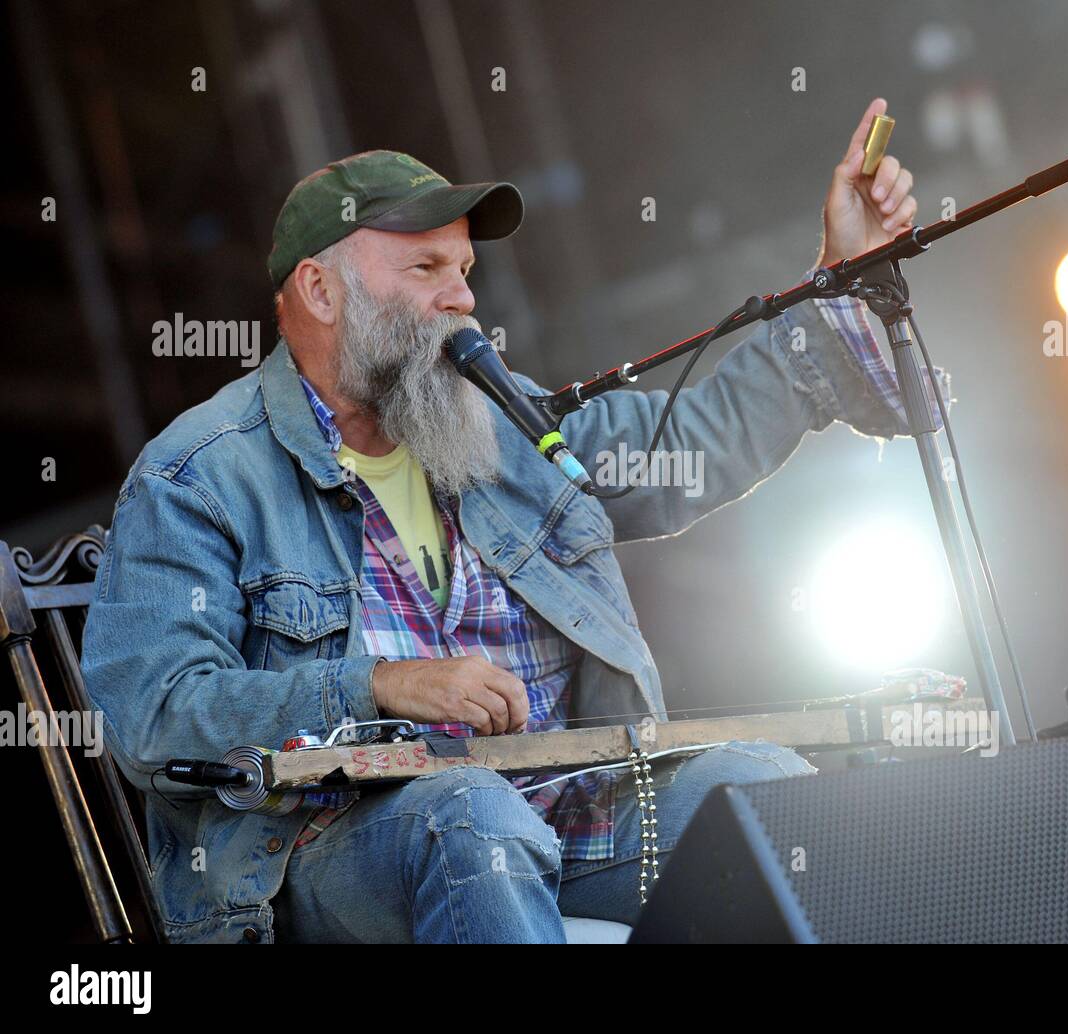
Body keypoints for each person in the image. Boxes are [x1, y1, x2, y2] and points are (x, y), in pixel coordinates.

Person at [82, 99, 937, 943]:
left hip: (563, 809)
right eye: (426, 271)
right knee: (473, 820)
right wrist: (379, 685)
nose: (462, 298)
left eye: (465, 271)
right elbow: (152, 713)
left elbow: (693, 444)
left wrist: (837, 276)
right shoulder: (197, 474)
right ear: (320, 290)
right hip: (331, 851)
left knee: (764, 790)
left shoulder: (501, 420)